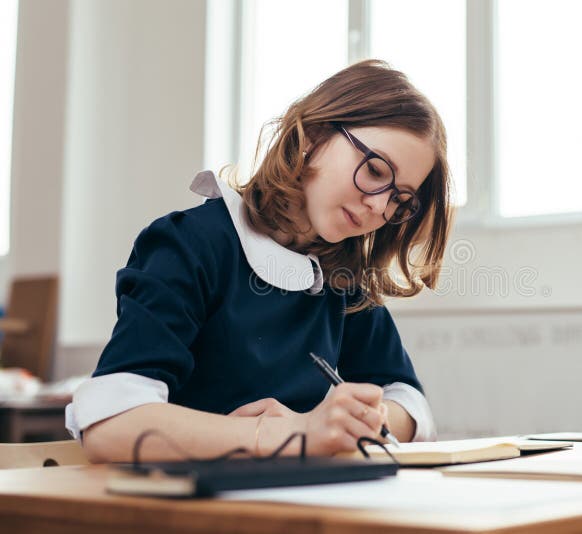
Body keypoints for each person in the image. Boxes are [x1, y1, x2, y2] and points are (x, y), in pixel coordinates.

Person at [65, 60, 453, 463]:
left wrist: (352, 420)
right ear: (315, 134)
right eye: (375, 170)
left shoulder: (344, 278)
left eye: (399, 200)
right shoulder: (192, 244)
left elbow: (411, 406)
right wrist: (289, 434)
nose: (378, 206)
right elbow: (109, 423)